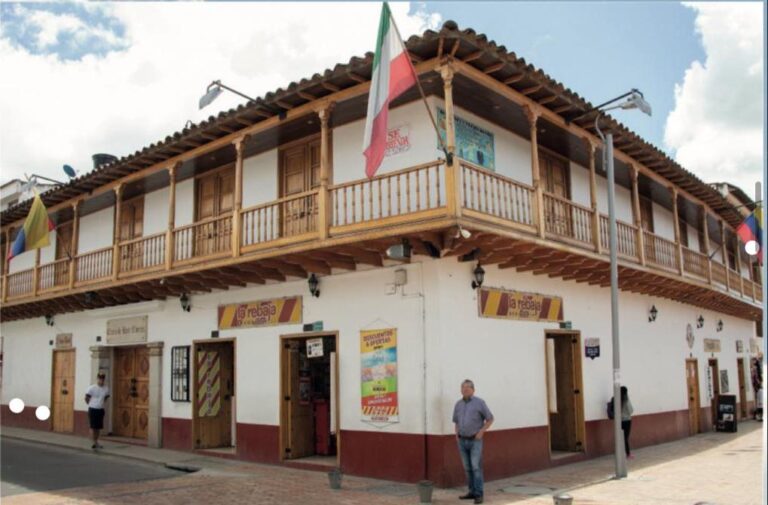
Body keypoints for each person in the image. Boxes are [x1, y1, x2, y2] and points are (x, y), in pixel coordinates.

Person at [452, 379, 494, 504]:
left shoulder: (479, 403)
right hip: (462, 441)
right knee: (467, 468)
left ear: (473, 390)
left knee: (476, 467)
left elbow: (490, 419)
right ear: (460, 390)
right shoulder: (458, 404)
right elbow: (456, 421)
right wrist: (456, 434)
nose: (465, 389)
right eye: (463, 387)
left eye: (468, 387)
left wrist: (481, 432)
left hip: (475, 441)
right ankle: (471, 492)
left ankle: (479, 494)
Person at [85, 372, 110, 450]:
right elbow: (86, 398)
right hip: (92, 409)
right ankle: (94, 442)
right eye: (100, 379)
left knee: (98, 427)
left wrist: (101, 403)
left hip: (100, 409)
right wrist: (91, 404)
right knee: (93, 426)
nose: (101, 381)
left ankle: (96, 441)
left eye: (102, 379)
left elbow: (106, 398)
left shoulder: (106, 388)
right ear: (97, 379)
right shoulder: (92, 388)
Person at [613, 386, 634, 459]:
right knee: (625, 438)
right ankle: (628, 454)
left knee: (619, 437)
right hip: (627, 421)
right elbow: (631, 410)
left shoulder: (616, 399)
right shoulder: (626, 400)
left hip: (619, 421)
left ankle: (619, 453)